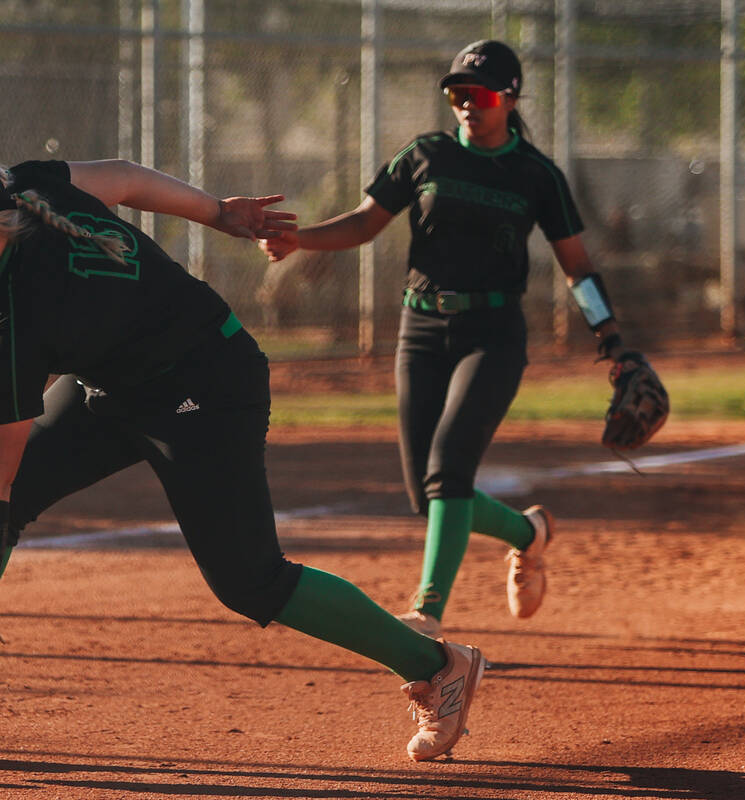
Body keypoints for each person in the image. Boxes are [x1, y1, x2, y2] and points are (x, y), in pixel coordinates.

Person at [0, 155, 487, 762]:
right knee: (8, 490)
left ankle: (438, 667)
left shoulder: (15, 330)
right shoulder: (26, 190)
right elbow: (123, 178)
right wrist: (220, 214)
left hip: (207, 387)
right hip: (118, 387)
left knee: (251, 581)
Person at [260, 40, 646, 638]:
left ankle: (427, 612)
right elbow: (366, 221)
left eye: (481, 94)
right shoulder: (426, 154)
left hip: (493, 334)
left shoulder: (537, 175)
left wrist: (611, 338)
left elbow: (576, 265)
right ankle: (529, 533)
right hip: (421, 329)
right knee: (430, 494)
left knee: (448, 469)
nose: (467, 104)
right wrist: (300, 240)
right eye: (457, 93)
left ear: (510, 98)